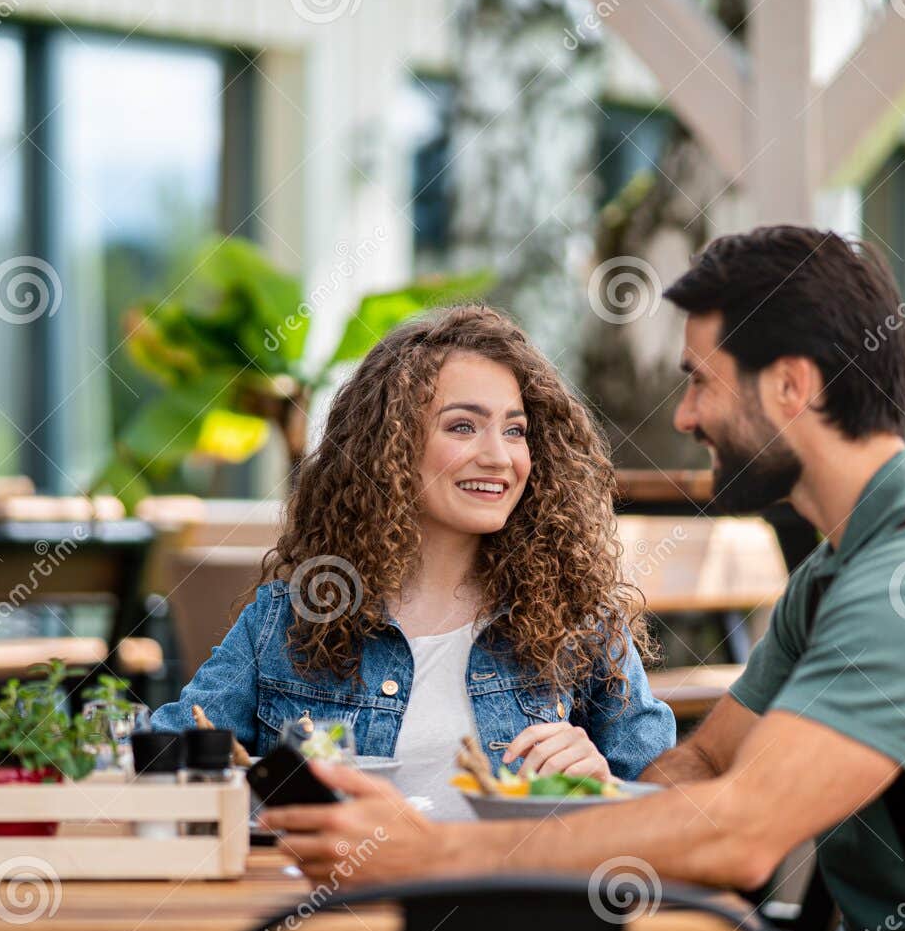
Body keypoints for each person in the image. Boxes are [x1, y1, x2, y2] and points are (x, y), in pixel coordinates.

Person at [264, 226, 905, 931]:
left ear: (791, 387)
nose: (685, 415)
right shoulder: (839, 571)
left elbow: (740, 834)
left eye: (700, 380)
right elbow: (700, 770)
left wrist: (443, 853)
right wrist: (578, 791)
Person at [151, 306, 675, 817]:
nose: (499, 456)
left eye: (515, 431)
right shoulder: (284, 622)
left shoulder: (581, 621)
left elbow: (674, 801)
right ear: (390, 448)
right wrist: (255, 792)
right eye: (463, 427)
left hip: (511, 877)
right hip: (338, 879)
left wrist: (606, 786)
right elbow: (161, 764)